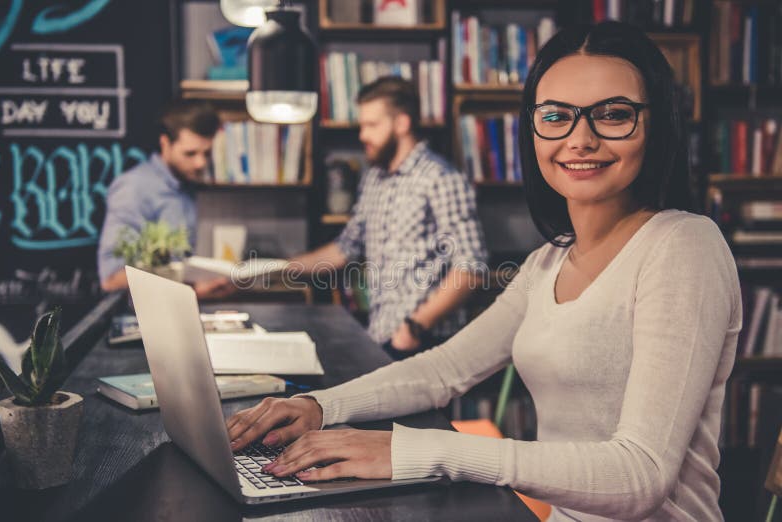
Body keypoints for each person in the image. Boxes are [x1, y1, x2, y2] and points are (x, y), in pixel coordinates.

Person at [224, 21, 741, 521]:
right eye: (557, 115)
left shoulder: (683, 245)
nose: (580, 139)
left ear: (656, 125)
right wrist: (319, 405)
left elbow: (640, 475)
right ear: (533, 128)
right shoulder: (549, 260)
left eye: (613, 113)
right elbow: (444, 370)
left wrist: (415, 450)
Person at [286, 76, 487, 358]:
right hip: (380, 337)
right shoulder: (374, 180)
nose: (362, 135)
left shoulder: (441, 178)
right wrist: (275, 269)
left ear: (402, 123)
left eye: (372, 125)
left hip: (423, 343)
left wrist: (414, 327)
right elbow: (344, 249)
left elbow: (471, 268)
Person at [97, 99, 220, 293]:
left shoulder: (184, 187)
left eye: (207, 153)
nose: (200, 163)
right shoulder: (135, 188)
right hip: (140, 318)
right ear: (165, 143)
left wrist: (195, 287)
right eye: (190, 153)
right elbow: (112, 278)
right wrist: (186, 282)